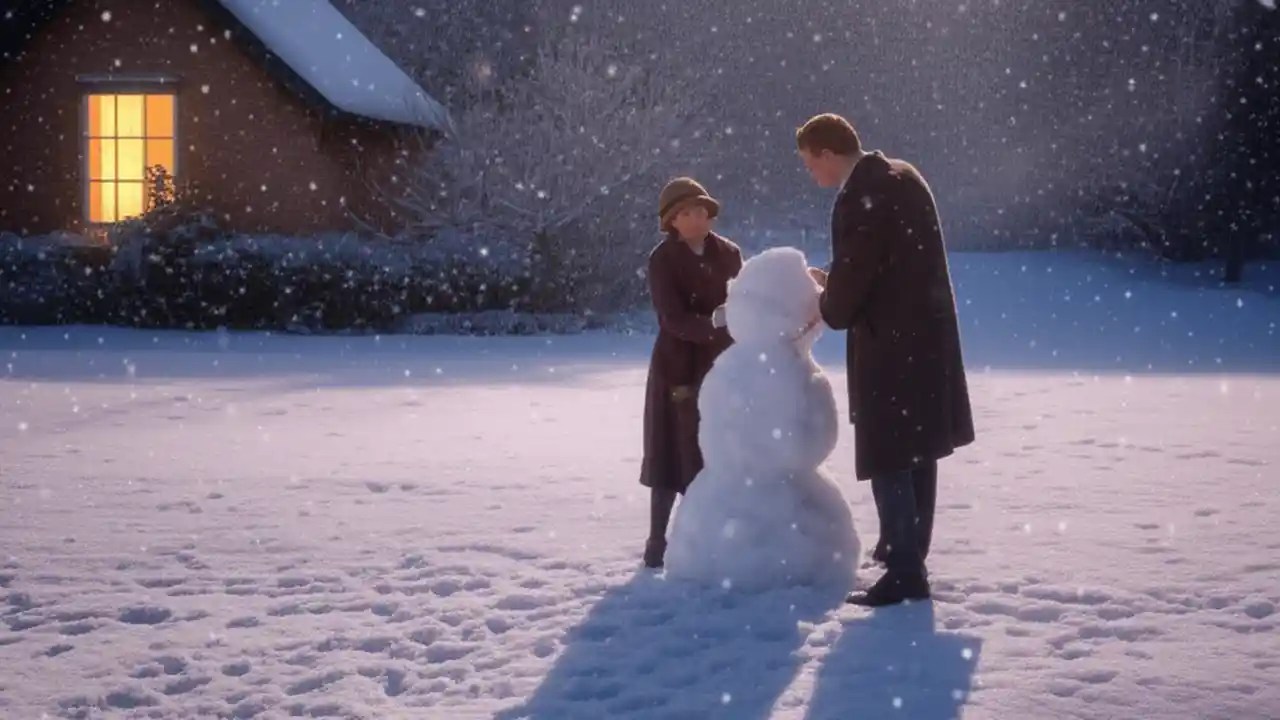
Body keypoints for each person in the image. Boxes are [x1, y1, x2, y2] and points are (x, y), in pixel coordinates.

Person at [798, 113, 975, 607]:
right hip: (928, 336)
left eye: (813, 166)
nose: (815, 177)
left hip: (890, 346)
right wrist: (839, 277)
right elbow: (885, 259)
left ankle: (903, 571)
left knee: (890, 453)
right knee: (919, 448)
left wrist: (828, 296)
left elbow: (851, 292)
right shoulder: (904, 174)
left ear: (829, 154)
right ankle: (909, 550)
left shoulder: (861, 197)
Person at [638, 177, 743, 569]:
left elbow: (744, 300)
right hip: (676, 365)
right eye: (686, 213)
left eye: (701, 210)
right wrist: (713, 323)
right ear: (672, 221)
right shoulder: (662, 259)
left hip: (721, 364)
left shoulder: (729, 254)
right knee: (669, 453)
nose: (697, 218)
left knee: (714, 451)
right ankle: (657, 542)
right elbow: (671, 317)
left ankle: (709, 537)